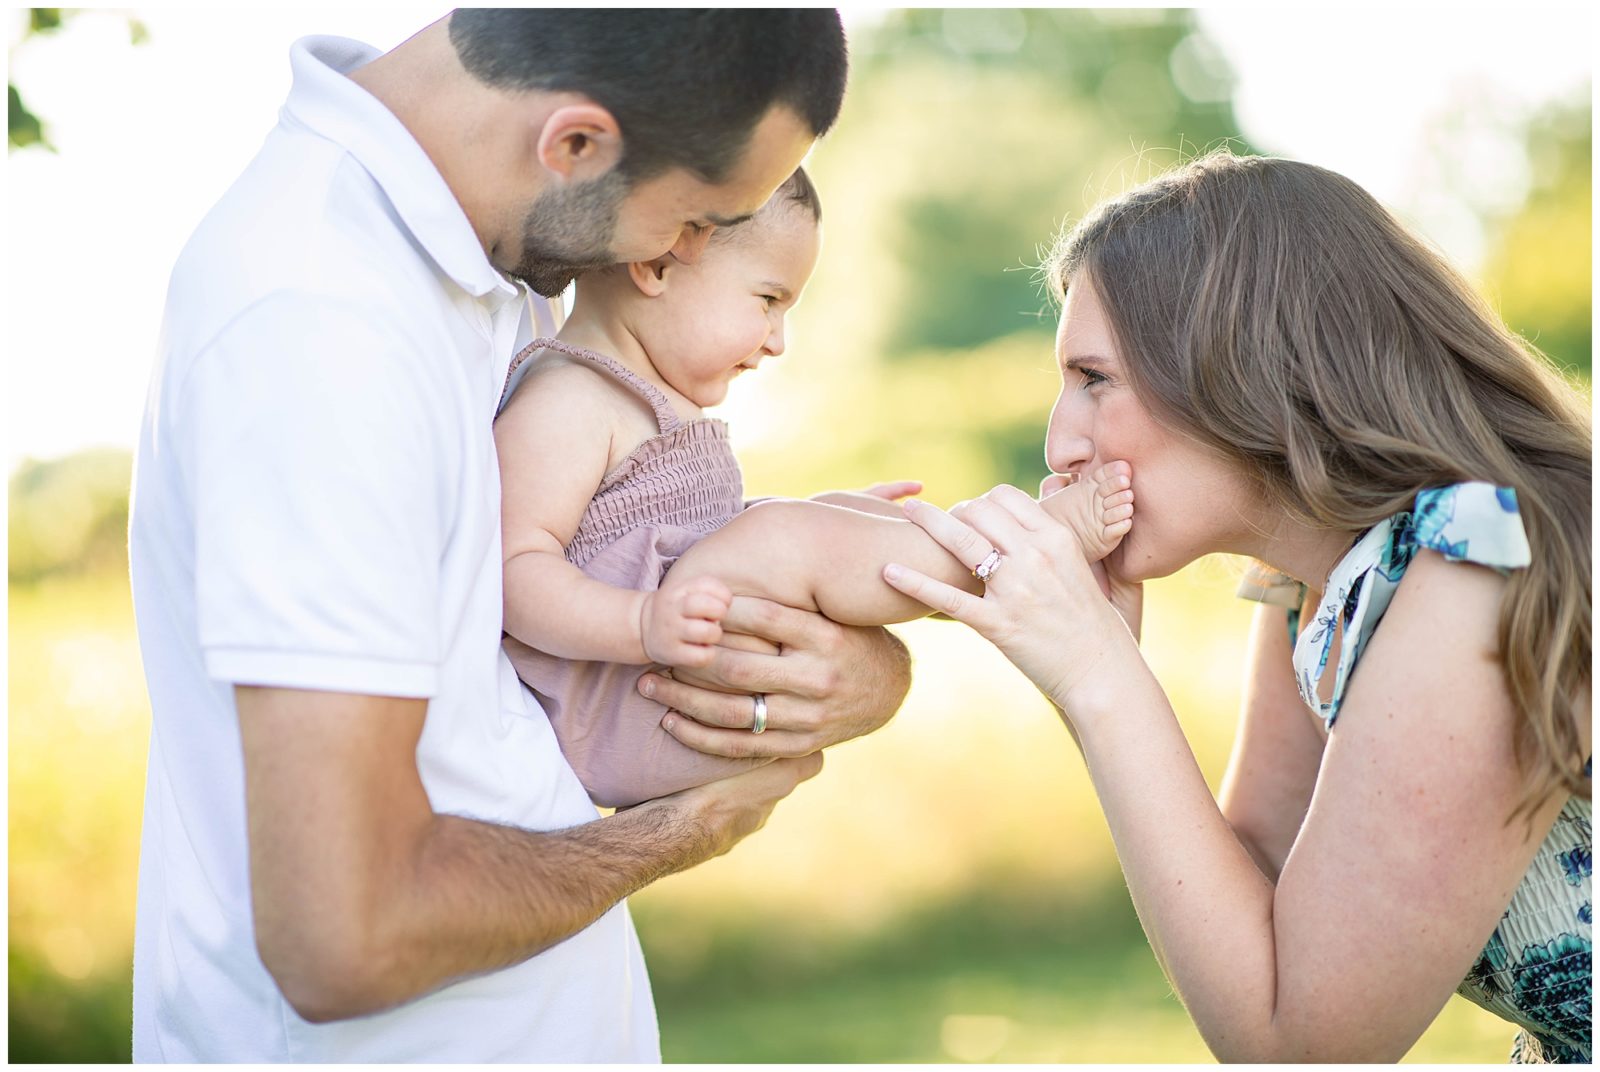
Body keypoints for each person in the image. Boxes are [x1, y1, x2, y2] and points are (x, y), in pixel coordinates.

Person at [127, 10, 914, 1062]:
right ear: (576, 144)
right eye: (692, 219)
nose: (682, 258)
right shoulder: (318, 321)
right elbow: (341, 939)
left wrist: (857, 676)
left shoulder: (497, 256)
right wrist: (671, 834)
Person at [883, 151, 1592, 1062]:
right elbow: (1255, 886)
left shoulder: (1477, 564)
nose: (1061, 443)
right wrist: (1094, 675)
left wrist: (1101, 678)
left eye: (1095, 378)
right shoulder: (1318, 585)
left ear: (1238, 363)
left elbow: (1300, 1044)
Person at [494, 166, 1134, 807]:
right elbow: (513, 569)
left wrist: (840, 525)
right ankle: (1016, 553)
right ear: (658, 263)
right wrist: (639, 622)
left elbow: (656, 543)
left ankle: (961, 562)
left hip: (665, 677)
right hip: (617, 701)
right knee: (781, 535)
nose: (778, 341)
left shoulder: (641, 397)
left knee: (801, 520)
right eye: (769, 301)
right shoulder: (569, 397)